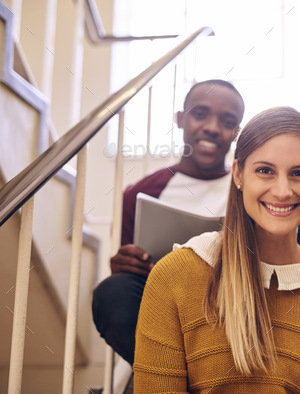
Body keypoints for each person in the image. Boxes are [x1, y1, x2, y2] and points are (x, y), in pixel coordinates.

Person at [133, 106, 300, 392]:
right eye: (265, 170)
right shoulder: (174, 276)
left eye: (299, 173)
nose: (282, 191)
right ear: (239, 174)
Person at [92, 79, 245, 365]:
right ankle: (172, 374)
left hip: (232, 308)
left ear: (236, 132)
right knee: (113, 292)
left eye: (227, 121)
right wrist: (123, 266)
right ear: (180, 119)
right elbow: (127, 275)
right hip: (166, 312)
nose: (212, 127)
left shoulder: (248, 189)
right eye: (200, 114)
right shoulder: (141, 194)